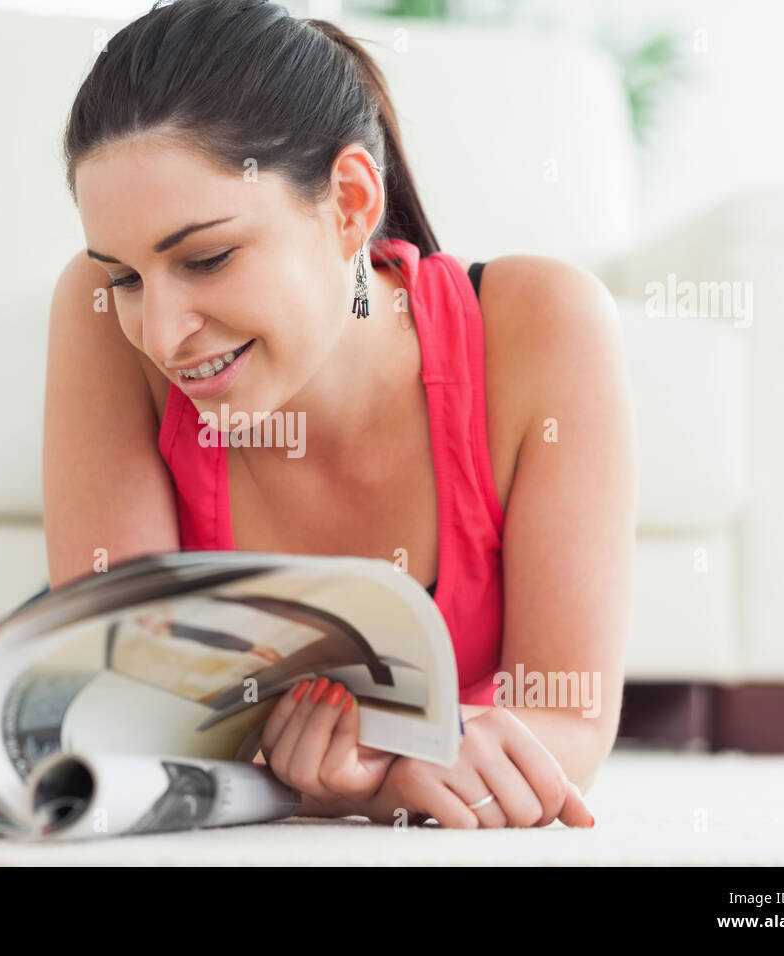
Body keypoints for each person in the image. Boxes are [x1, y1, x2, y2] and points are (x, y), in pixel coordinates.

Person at [44, 0, 635, 830]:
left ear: (352, 202)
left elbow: (569, 725)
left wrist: (366, 773)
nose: (163, 334)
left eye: (207, 257)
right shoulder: (102, 315)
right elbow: (127, 714)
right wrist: (370, 779)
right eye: (127, 276)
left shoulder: (545, 325)